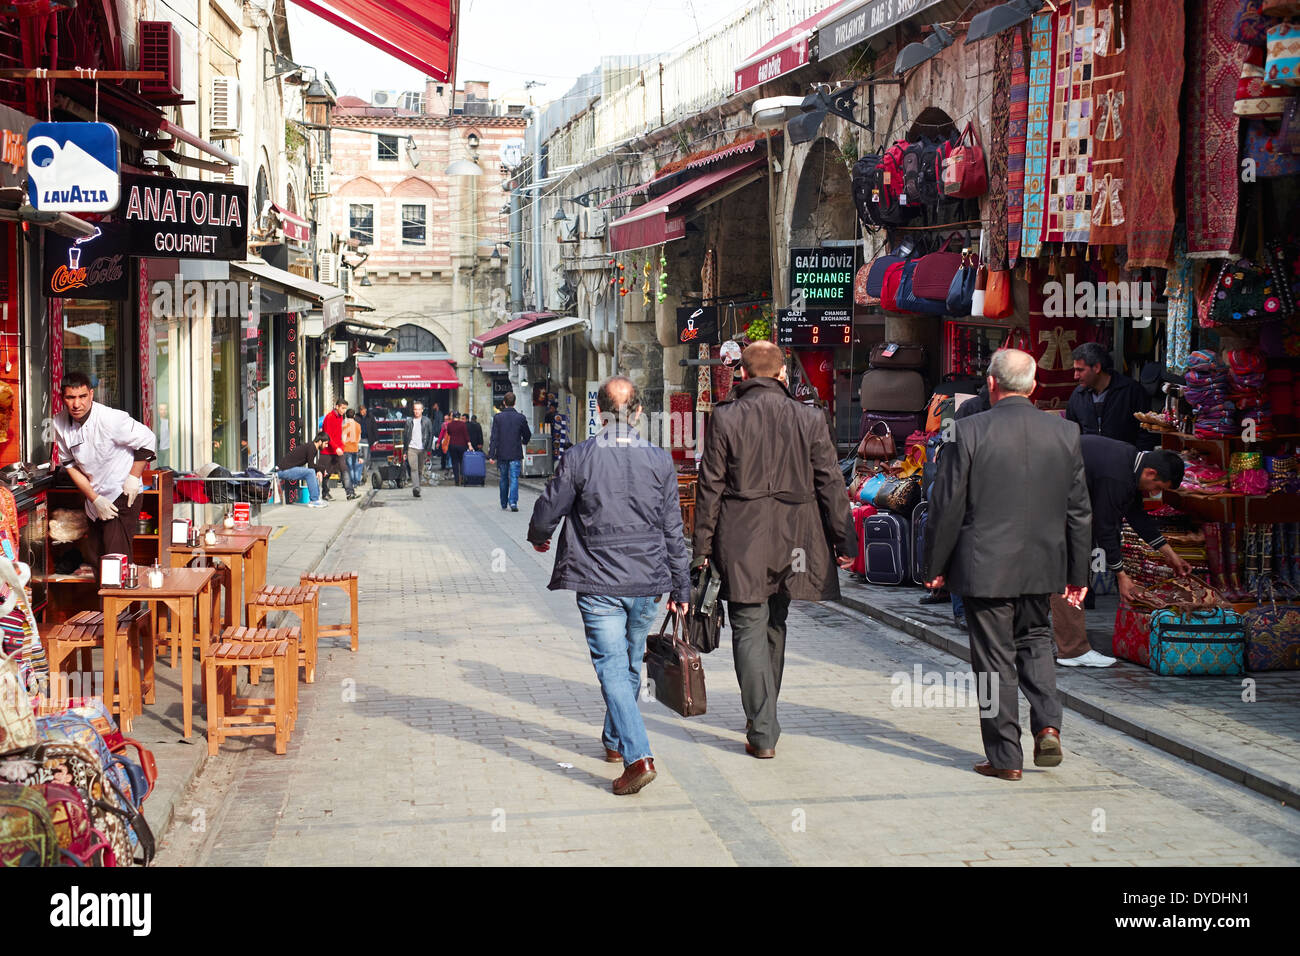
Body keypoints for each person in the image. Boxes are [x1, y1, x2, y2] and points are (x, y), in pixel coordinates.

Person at [925, 349, 1092, 781]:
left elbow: (946, 506)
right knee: (1037, 643)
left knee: (992, 661)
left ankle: (1004, 756)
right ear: (1034, 387)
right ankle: (1049, 725)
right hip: (1042, 565)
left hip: (984, 568)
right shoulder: (1065, 433)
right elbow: (1079, 511)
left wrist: (935, 565)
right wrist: (1079, 576)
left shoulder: (964, 431)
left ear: (992, 384)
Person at [526, 376, 690, 795]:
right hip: (646, 582)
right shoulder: (658, 459)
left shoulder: (580, 456)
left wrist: (539, 534)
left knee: (614, 669)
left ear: (598, 412)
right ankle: (615, 742)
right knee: (630, 664)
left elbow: (550, 504)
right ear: (637, 412)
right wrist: (681, 589)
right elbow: (674, 529)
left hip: (599, 581)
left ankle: (638, 756)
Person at [694, 341, 857, 759]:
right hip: (795, 540)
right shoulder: (809, 417)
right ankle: (763, 717)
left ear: (743, 375)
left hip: (740, 540)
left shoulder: (725, 418)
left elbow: (709, 489)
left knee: (749, 625)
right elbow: (830, 483)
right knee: (775, 623)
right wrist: (845, 541)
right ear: (783, 375)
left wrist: (701, 550)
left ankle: (761, 725)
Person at [1053, 438, 1193, 667]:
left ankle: (1047, 641)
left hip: (1056, 504)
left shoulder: (1129, 459)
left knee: (1060, 572)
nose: (1155, 493)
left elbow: (1136, 514)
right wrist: (1121, 575)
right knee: (1072, 572)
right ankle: (1072, 650)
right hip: (1055, 508)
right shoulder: (1117, 477)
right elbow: (1105, 527)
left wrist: (1170, 554)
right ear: (1150, 473)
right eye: (1158, 488)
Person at [50, 371, 158, 562]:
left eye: (82, 397)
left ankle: (120, 592)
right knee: (94, 556)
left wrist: (134, 477)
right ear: (62, 398)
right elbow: (70, 465)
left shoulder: (110, 419)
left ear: (91, 394)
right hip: (95, 496)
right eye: (71, 397)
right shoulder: (59, 423)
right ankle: (106, 592)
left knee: (114, 560)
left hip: (122, 492)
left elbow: (147, 439)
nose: (77, 404)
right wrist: (95, 499)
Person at [1066, 341, 1153, 450]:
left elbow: (1145, 433)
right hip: (1090, 463)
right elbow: (1071, 434)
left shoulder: (1131, 391)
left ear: (1097, 367)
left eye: (1080, 370)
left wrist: (1138, 462)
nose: (1075, 376)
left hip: (1124, 462)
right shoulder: (1077, 396)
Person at [489, 392, 531, 512]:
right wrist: (524, 441)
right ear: (515, 403)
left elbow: (494, 437)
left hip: (502, 453)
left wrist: (491, 454)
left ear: (504, 402)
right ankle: (513, 502)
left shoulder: (498, 418)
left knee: (503, 478)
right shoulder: (520, 418)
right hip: (515, 452)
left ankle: (503, 502)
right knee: (514, 478)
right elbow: (527, 434)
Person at [277, 432, 330, 508]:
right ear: (320, 441)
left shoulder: (312, 447)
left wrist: (319, 470)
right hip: (283, 470)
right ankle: (314, 500)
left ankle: (317, 499)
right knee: (310, 472)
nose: (326, 446)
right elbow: (311, 466)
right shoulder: (311, 447)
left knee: (311, 472)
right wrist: (321, 469)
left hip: (287, 469)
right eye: (326, 443)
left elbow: (311, 465)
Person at [321, 400, 356, 501]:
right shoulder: (329, 417)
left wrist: (341, 446)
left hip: (338, 450)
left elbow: (338, 434)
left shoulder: (341, 417)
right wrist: (336, 447)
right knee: (327, 472)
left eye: (345, 408)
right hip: (328, 450)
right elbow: (327, 435)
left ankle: (350, 493)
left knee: (344, 469)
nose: (344, 411)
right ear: (337, 407)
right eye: (342, 408)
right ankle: (325, 493)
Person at [404, 401, 435, 499]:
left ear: (422, 410)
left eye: (418, 409)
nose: (417, 411)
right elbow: (405, 437)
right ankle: (416, 488)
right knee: (413, 468)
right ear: (413, 410)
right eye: (415, 409)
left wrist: (428, 449)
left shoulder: (427, 421)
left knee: (420, 470)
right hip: (411, 448)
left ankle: (417, 487)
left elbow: (431, 435)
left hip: (423, 449)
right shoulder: (409, 421)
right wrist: (405, 451)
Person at [446, 412, 470, 485]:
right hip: (462, 445)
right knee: (462, 462)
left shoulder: (449, 425)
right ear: (459, 417)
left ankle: (457, 480)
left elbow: (449, 433)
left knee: (455, 462)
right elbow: (466, 435)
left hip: (452, 445)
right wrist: (469, 444)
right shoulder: (463, 424)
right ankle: (462, 478)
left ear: (453, 417)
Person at [342, 409, 362, 487]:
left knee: (349, 467)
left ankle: (352, 482)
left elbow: (343, 438)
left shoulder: (345, 425)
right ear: (354, 416)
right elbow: (359, 437)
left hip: (347, 448)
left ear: (346, 415)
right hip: (355, 448)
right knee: (355, 466)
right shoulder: (358, 425)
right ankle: (356, 482)